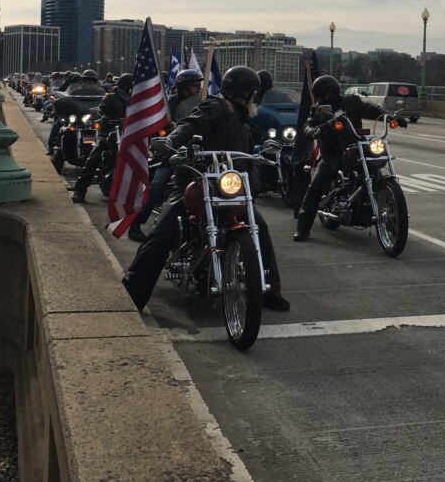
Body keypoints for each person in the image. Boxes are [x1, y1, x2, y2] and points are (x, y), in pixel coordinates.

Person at [120, 66, 290, 312]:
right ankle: (132, 292)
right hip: (196, 178)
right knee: (165, 227)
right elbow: (190, 124)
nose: (254, 97)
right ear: (246, 93)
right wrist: (171, 141)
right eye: (253, 93)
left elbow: (245, 158)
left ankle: (270, 290)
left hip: (226, 185)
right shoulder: (217, 105)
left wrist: (253, 180)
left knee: (259, 227)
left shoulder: (242, 117)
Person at [293, 75, 403, 241]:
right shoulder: (319, 110)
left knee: (375, 172)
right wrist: (313, 130)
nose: (324, 97)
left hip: (356, 149)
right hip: (333, 154)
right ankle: (302, 229)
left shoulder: (351, 101)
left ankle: (388, 219)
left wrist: (389, 116)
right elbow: (308, 124)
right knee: (315, 187)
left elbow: (369, 108)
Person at [128, 68, 204, 242]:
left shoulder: (202, 104)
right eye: (195, 85)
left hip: (196, 152)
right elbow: (155, 129)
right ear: (184, 87)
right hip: (172, 152)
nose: (199, 88)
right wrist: (165, 137)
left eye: (200, 85)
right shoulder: (167, 106)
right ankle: (136, 225)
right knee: (156, 186)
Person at [71, 73, 132, 203]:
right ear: (126, 86)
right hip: (109, 134)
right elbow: (100, 110)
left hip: (128, 135)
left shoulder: (136, 99)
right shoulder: (111, 97)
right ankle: (80, 190)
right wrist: (100, 116)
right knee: (92, 159)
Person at [47, 70, 106, 155]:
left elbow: (107, 102)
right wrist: (60, 103)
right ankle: (51, 146)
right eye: (87, 80)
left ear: (96, 81)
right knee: (59, 124)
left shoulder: (102, 92)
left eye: (92, 80)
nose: (89, 82)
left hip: (94, 118)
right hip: (77, 117)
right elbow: (65, 97)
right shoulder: (75, 90)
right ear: (83, 80)